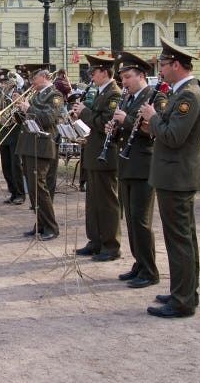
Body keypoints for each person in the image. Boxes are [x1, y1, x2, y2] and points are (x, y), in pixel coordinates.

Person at [138, 36, 200, 318]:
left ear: (176, 64)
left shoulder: (188, 96)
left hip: (176, 176)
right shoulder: (182, 93)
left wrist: (153, 117)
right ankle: (185, 290)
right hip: (173, 175)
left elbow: (173, 136)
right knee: (183, 238)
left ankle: (183, 300)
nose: (160, 69)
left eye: (163, 64)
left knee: (179, 240)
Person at [108, 52, 167, 289]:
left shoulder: (156, 98)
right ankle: (139, 263)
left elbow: (154, 130)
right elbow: (126, 132)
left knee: (141, 221)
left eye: (128, 77)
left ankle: (150, 270)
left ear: (141, 75)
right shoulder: (128, 99)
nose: (124, 82)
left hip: (143, 166)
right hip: (126, 164)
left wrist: (126, 121)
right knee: (131, 221)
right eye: (122, 78)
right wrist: (113, 131)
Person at [71, 55, 122, 261]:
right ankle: (95, 241)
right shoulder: (100, 92)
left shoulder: (114, 94)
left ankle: (111, 246)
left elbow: (104, 123)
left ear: (106, 72)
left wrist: (84, 112)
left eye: (94, 72)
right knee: (93, 202)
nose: (91, 75)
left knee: (107, 202)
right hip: (93, 153)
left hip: (106, 155)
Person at [15, 65, 64, 241]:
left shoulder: (55, 95)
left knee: (41, 188)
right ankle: (40, 224)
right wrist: (19, 111)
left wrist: (29, 109)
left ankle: (51, 227)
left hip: (43, 146)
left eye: (33, 79)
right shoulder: (36, 94)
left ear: (44, 76)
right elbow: (28, 119)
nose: (30, 82)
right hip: (29, 145)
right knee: (34, 189)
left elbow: (48, 119)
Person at [0, 68, 24, 205]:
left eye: (6, 81)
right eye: (2, 81)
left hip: (15, 131)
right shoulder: (2, 94)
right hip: (4, 130)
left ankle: (20, 194)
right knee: (5, 165)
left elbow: (21, 115)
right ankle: (12, 192)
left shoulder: (19, 93)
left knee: (15, 164)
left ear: (13, 82)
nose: (3, 83)